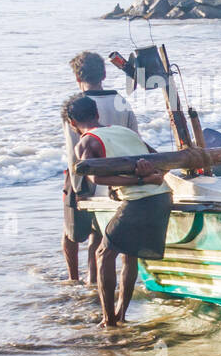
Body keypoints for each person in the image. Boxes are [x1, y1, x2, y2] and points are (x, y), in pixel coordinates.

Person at [64, 97, 172, 328]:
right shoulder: (125, 132)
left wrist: (138, 179)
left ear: (72, 122)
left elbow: (95, 177)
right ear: (97, 114)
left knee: (104, 254)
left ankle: (108, 320)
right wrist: (146, 177)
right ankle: (120, 315)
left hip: (141, 200)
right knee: (128, 254)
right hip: (162, 196)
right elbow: (159, 160)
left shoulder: (85, 143)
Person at [62, 51, 139, 283]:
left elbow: (72, 149)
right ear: (104, 74)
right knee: (98, 233)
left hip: (86, 177)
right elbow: (134, 139)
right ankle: (92, 279)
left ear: (77, 78)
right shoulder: (120, 101)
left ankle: (73, 280)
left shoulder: (75, 107)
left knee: (70, 233)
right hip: (117, 177)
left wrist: (76, 187)